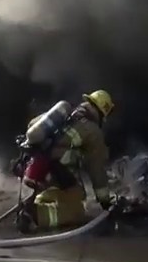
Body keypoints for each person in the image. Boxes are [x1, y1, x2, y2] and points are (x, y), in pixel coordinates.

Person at [17, 90, 114, 233]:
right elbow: (96, 168)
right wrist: (105, 200)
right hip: (56, 172)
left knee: (70, 193)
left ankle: (37, 202)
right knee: (77, 211)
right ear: (102, 113)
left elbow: (32, 126)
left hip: (34, 167)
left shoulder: (63, 115)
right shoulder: (93, 131)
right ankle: (34, 214)